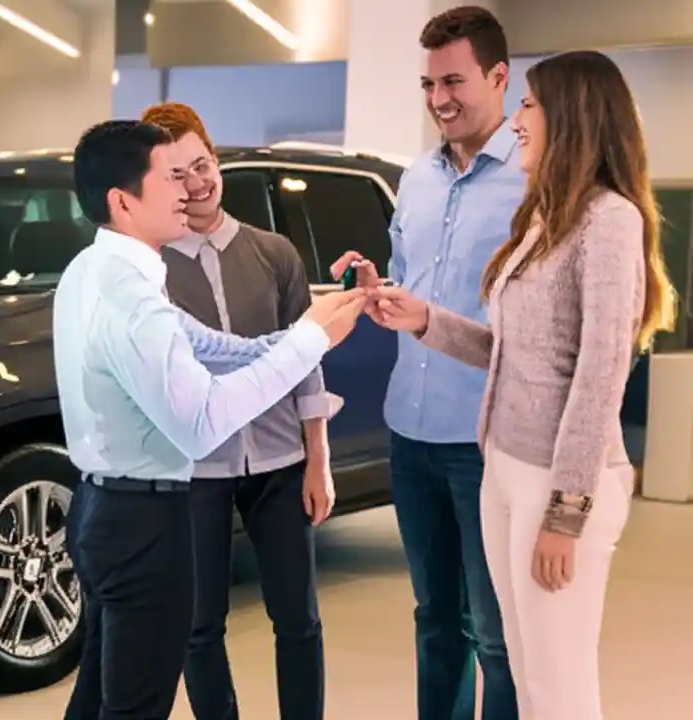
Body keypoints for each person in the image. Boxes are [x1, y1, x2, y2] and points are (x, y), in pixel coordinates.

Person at [370, 50, 676, 720]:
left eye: (531, 105)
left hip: (558, 483)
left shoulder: (609, 220)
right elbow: (514, 353)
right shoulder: (545, 220)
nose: (518, 122)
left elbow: (599, 376)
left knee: (557, 685)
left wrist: (566, 515)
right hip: (504, 467)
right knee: (528, 669)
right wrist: (425, 320)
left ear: (573, 118)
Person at [54, 119, 367, 720]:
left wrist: (312, 327)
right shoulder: (135, 299)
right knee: (134, 706)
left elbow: (213, 344)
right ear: (124, 202)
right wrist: (310, 343)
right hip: (143, 519)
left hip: (102, 509)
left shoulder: (95, 270)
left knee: (97, 696)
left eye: (192, 170)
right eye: (169, 178)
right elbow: (203, 422)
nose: (186, 191)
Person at [331, 6, 523, 718]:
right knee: (436, 620)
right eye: (427, 83)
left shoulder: (534, 184)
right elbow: (413, 284)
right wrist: (378, 288)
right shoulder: (416, 179)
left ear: (498, 77)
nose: (439, 98)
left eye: (454, 80)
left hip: (485, 439)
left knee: (498, 634)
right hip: (408, 435)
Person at [140, 100, 333, 720]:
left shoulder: (275, 254)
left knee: (298, 617)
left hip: (280, 462)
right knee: (198, 625)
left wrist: (317, 462)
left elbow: (307, 361)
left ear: (217, 161)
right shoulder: (150, 271)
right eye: (177, 175)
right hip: (196, 467)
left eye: (202, 165)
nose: (196, 184)